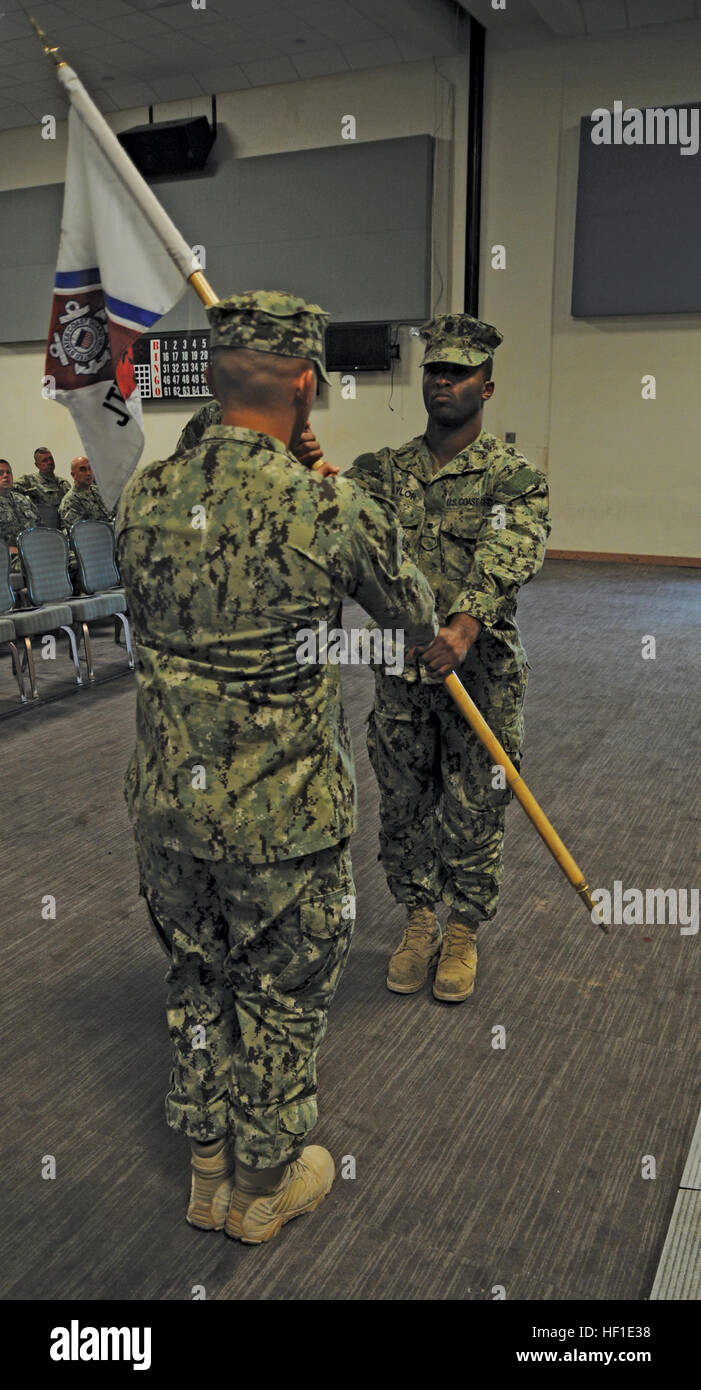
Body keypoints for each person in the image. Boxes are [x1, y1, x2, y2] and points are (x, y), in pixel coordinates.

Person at [115, 290, 437, 1245]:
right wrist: (326, 487)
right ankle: (265, 1183)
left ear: (210, 383)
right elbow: (414, 624)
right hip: (282, 815)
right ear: (306, 384)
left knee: (197, 977)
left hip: (169, 805)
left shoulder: (140, 495)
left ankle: (205, 1170)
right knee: (282, 992)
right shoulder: (326, 504)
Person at [340, 313, 551, 1003]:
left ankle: (461, 928)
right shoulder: (379, 473)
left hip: (479, 675)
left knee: (473, 805)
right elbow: (347, 544)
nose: (442, 383)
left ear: (485, 388)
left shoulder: (513, 478)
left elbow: (509, 550)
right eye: (434, 370)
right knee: (404, 804)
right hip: (402, 678)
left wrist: (462, 626)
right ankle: (417, 918)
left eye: (458, 373)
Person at [0, 459, 40, 568]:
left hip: (35, 551)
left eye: (8, 472)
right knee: (37, 564)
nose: (5, 476)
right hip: (9, 557)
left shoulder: (23, 499)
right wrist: (11, 550)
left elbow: (41, 526)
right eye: (1, 473)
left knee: (70, 559)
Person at [58, 457, 112, 530]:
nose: (88, 473)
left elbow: (114, 513)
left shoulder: (98, 491)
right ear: (73, 475)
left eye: (90, 469)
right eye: (82, 470)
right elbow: (82, 532)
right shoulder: (70, 501)